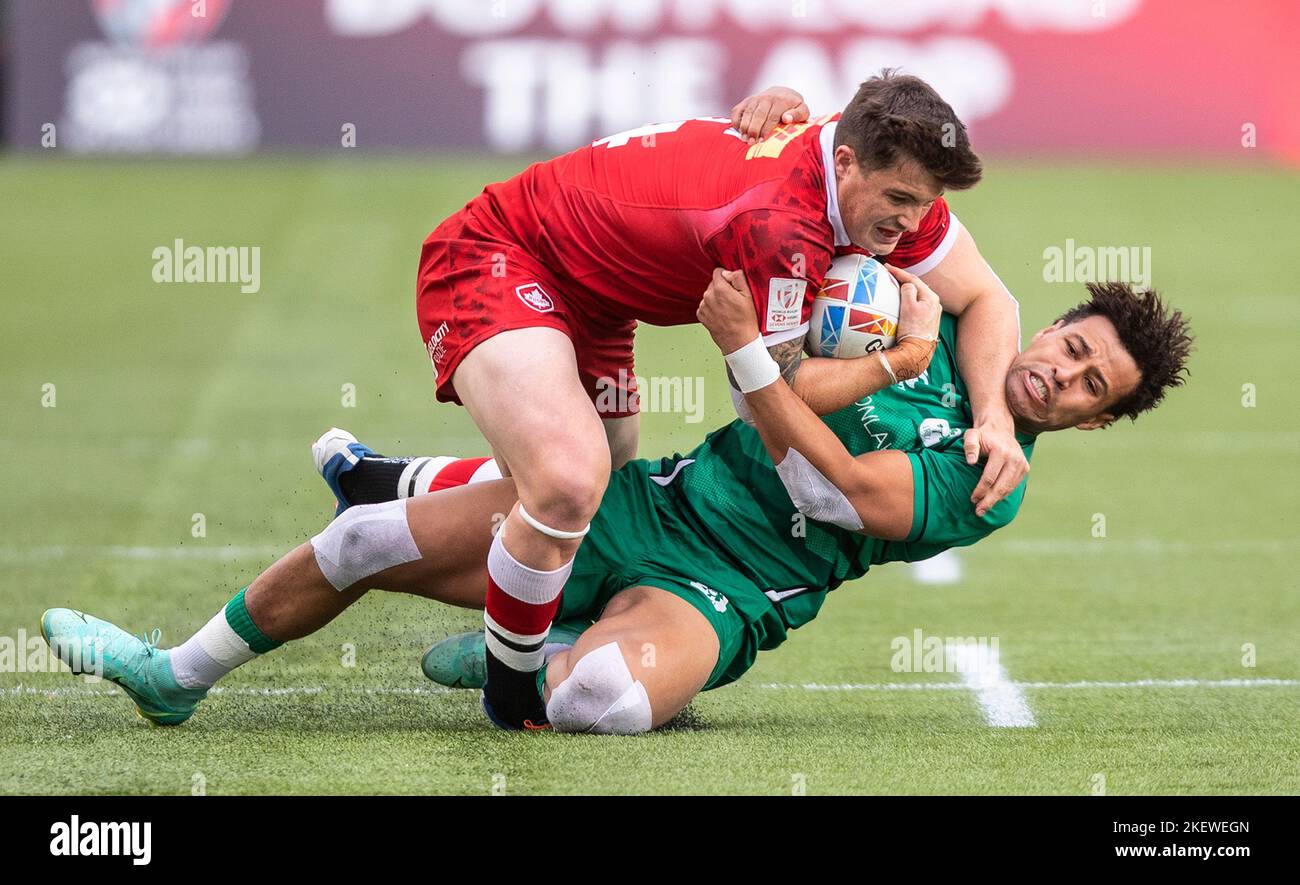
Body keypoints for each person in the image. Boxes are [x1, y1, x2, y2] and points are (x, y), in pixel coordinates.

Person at [40, 276, 1190, 734]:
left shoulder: (991, 483)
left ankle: (545, 651)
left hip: (731, 592)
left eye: (1093, 388)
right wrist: (787, 113)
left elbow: (840, 482)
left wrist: (751, 354)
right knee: (360, 540)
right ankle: (171, 675)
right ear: (1048, 328)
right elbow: (949, 253)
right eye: (1072, 347)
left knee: (592, 704)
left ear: (1091, 423)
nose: (1065, 375)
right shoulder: (955, 333)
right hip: (651, 504)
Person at [382, 71, 1027, 727]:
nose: (915, 220)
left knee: (600, 466)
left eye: (926, 202)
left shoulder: (873, 168)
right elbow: (774, 391)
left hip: (604, 295)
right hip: (515, 256)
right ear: (847, 163)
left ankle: (406, 490)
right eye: (902, 199)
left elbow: (989, 297)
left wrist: (997, 420)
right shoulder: (783, 225)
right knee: (566, 483)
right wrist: (903, 357)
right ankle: (511, 685)